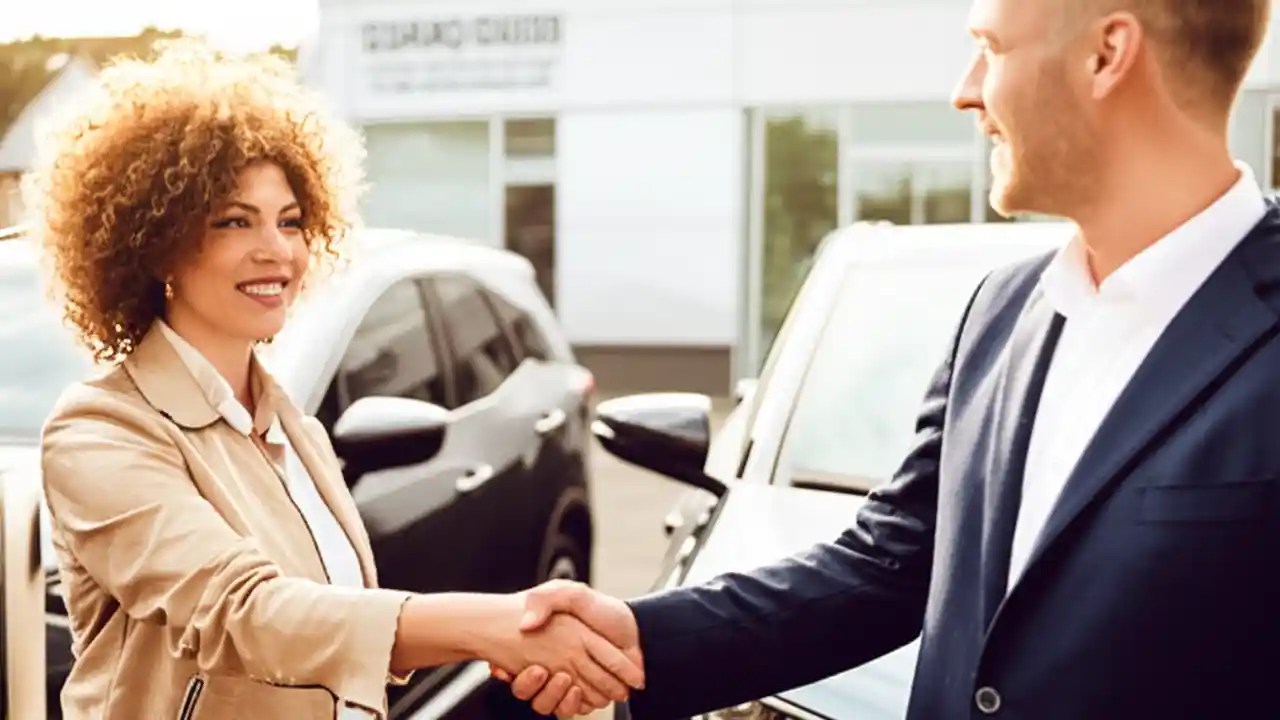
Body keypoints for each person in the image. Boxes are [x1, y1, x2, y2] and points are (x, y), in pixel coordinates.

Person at [495, 0, 1279, 717]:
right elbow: (889, 567)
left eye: (990, 49)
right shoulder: (1000, 313)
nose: (966, 92)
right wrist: (638, 637)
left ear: (1107, 53)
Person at [27, 40, 639, 720]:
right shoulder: (102, 430)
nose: (277, 249)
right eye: (234, 221)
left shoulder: (296, 429)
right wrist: (494, 623)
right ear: (156, 243)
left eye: (290, 221)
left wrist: (515, 640)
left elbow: (337, 636)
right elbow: (245, 613)